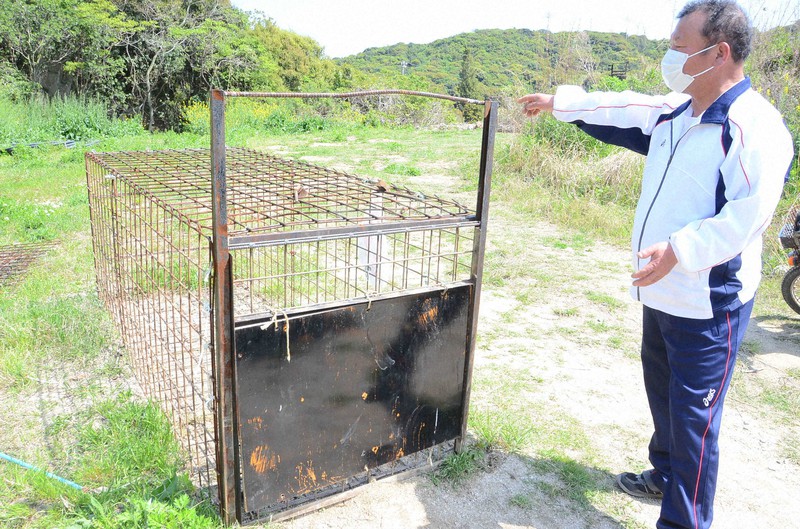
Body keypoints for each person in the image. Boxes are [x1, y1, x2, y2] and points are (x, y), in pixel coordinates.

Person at [517, 1, 794, 528]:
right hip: (661, 289)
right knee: (664, 395)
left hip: (708, 301)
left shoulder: (754, 126)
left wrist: (680, 251)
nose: (669, 57)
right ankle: (663, 475)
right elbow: (620, 108)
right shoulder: (676, 110)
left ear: (721, 53)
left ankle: (683, 521)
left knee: (695, 421)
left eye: (679, 48)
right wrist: (559, 103)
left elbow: (748, 216)